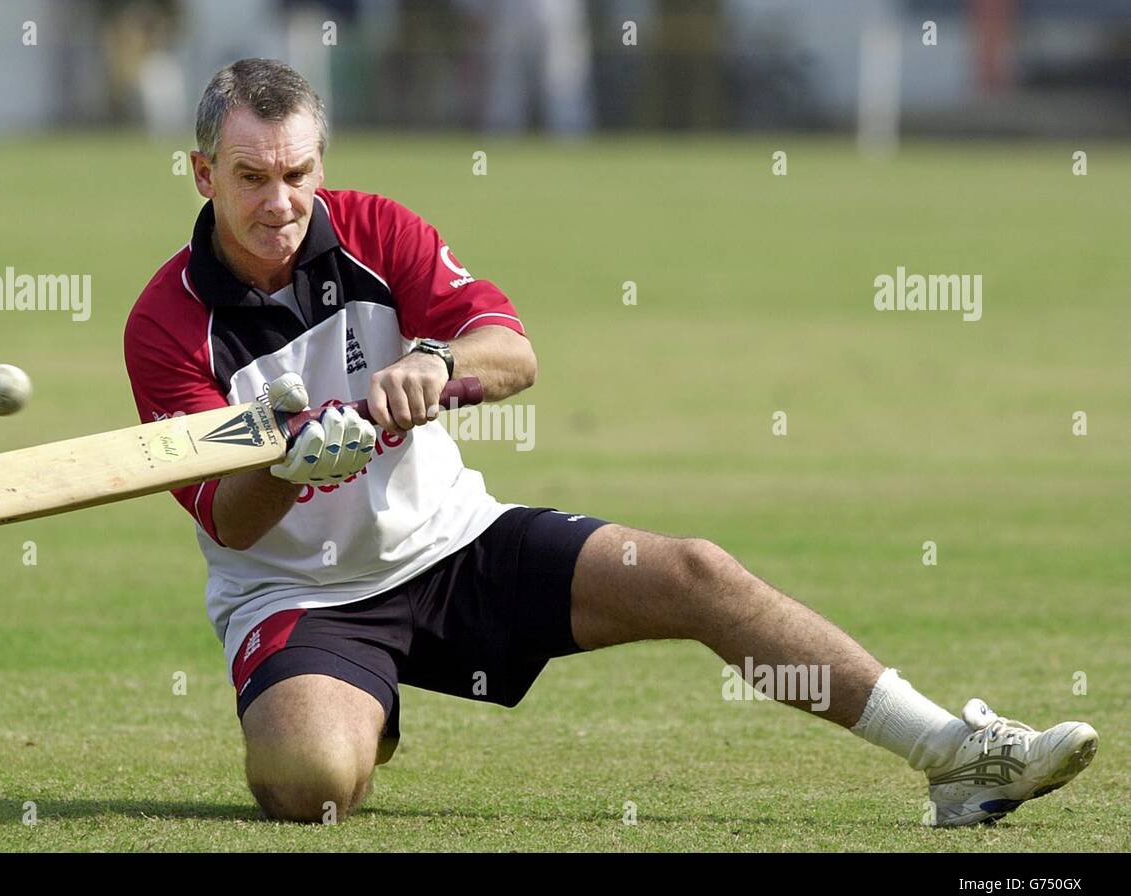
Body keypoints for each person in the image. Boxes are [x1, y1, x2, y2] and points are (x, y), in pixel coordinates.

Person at [124, 58, 1098, 825]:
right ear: (203, 172)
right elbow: (234, 523)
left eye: (297, 173)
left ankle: (960, 758)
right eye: (250, 177)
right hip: (301, 597)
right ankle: (353, 707)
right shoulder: (165, 325)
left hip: (452, 543)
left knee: (695, 573)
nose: (280, 202)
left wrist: (435, 364)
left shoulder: (380, 232)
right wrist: (291, 471)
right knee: (311, 788)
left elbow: (511, 349)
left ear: (320, 164)